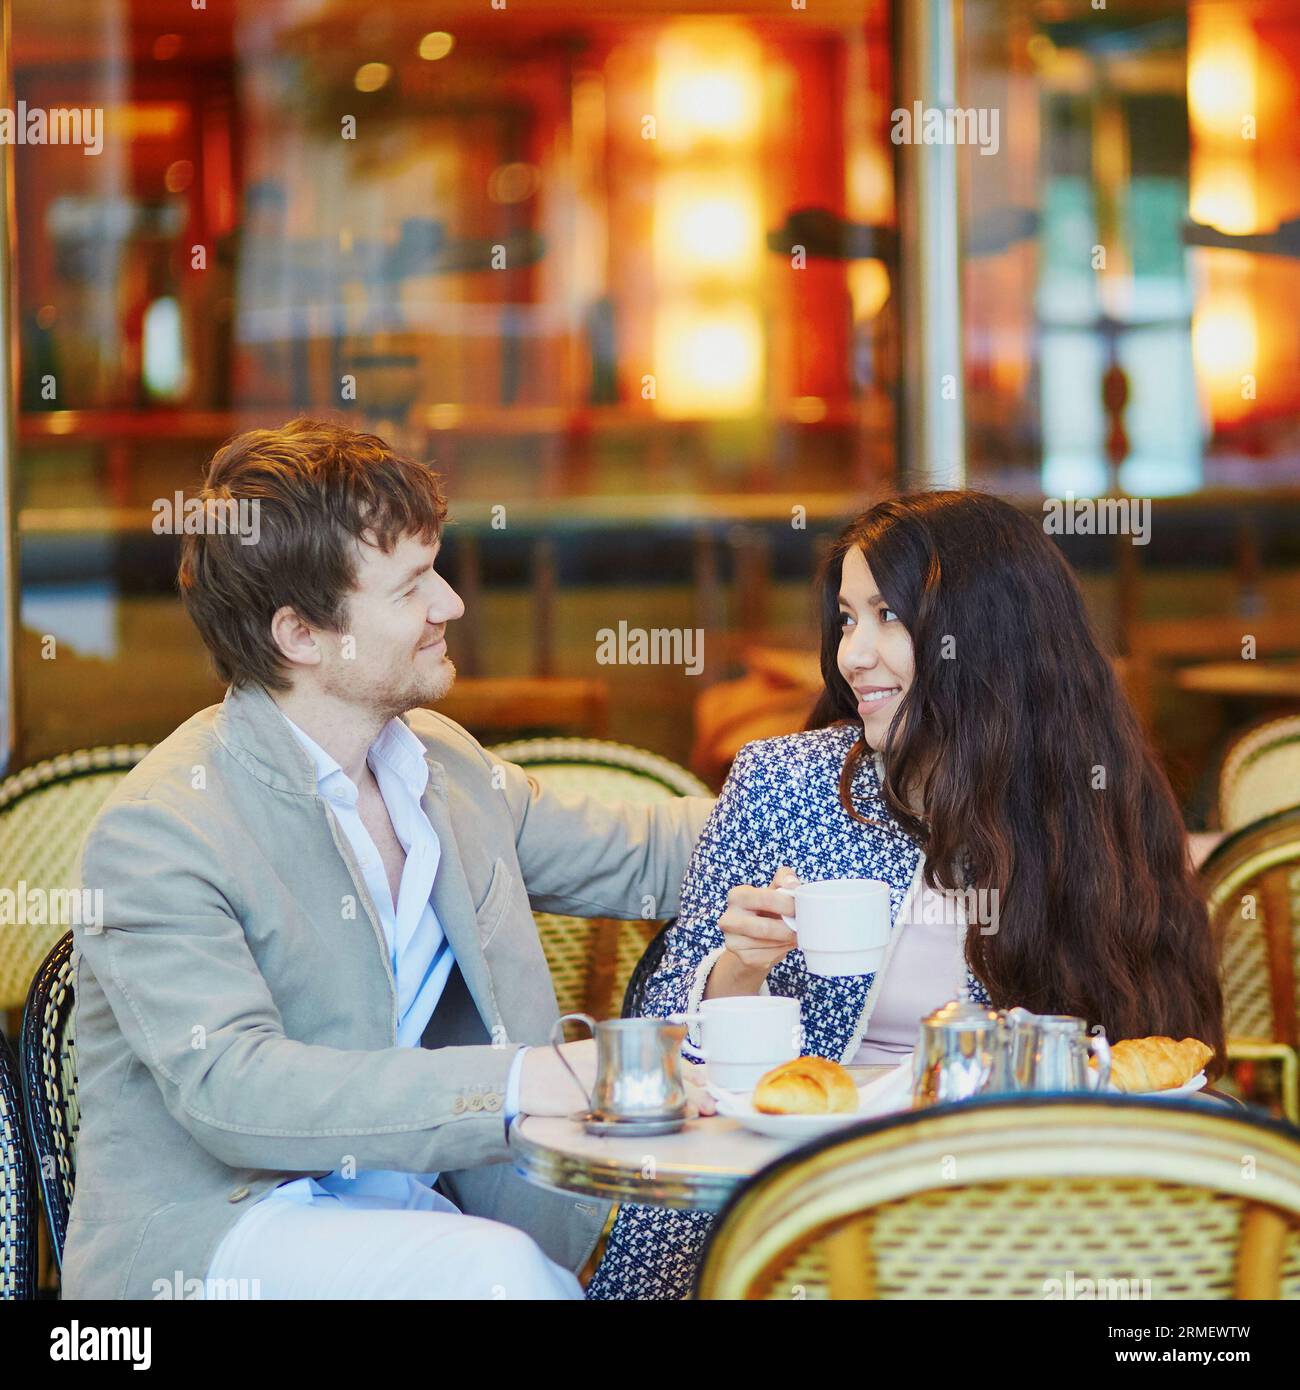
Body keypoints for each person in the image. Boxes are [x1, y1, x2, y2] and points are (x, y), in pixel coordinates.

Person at [64, 419, 714, 1300]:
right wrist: (533, 1079)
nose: (451, 604)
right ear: (301, 635)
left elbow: (647, 851)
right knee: (498, 1276)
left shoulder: (436, 764)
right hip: (221, 1240)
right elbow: (234, 1089)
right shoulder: (163, 827)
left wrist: (867, 790)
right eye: (413, 588)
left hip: (411, 1215)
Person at [588, 489, 1225, 1300]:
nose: (854, 655)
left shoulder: (1092, 797)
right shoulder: (782, 783)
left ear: (987, 633)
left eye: (888, 616)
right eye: (848, 619)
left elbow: (1153, 1042)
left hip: (1012, 1201)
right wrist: (735, 970)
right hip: (783, 1191)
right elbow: (657, 1042)